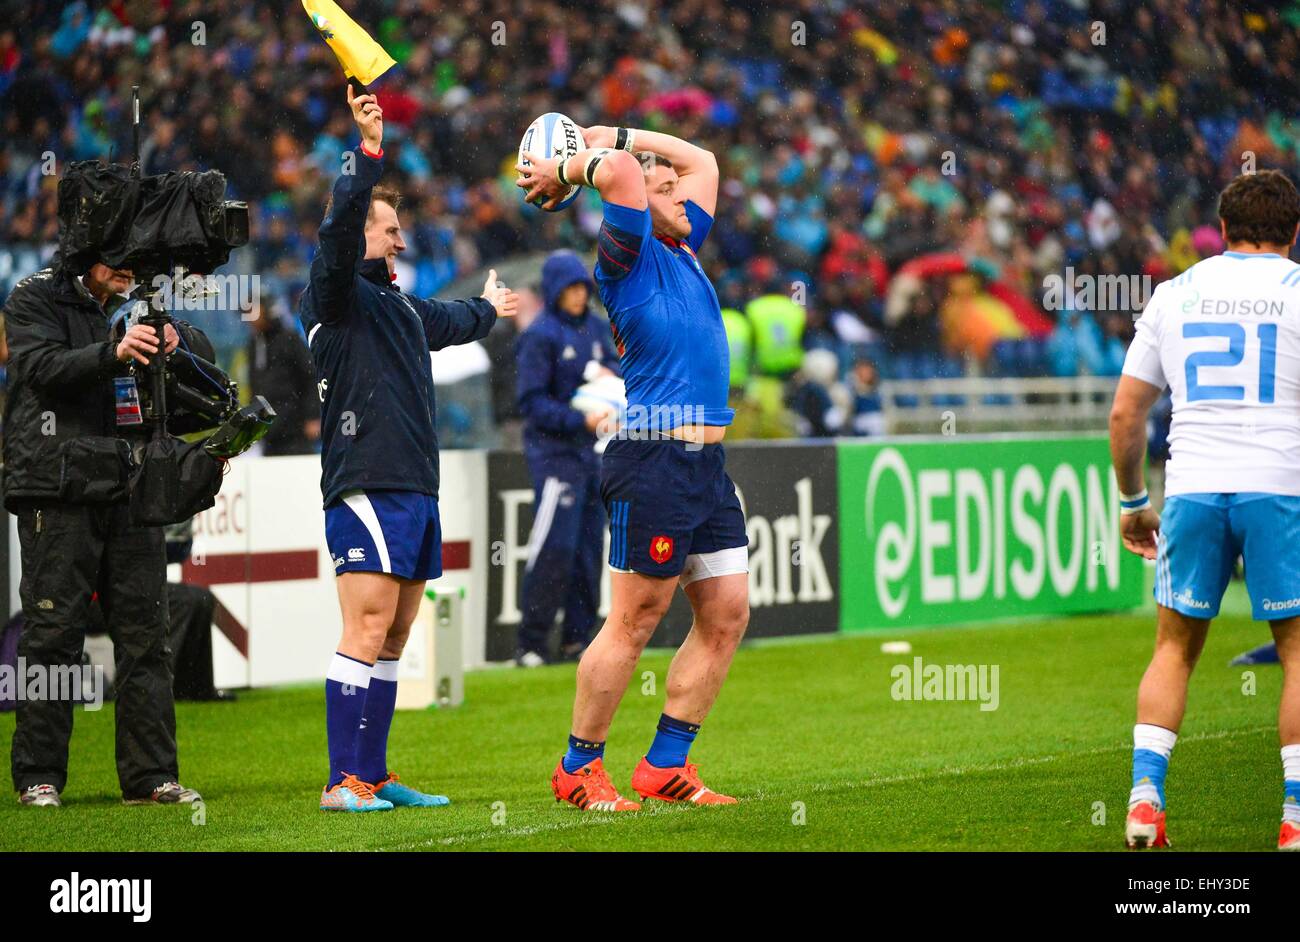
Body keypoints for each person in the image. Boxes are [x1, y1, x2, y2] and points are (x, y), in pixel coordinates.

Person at [518, 122, 748, 811]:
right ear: (636, 200)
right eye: (661, 179)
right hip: (651, 454)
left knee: (728, 614)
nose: (678, 181)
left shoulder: (680, 245)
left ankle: (664, 765)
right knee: (636, 618)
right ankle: (577, 768)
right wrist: (581, 161)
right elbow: (617, 175)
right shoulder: (626, 254)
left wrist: (618, 133)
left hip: (706, 463)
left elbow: (705, 156)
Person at [300, 86, 518, 813]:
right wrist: (365, 155)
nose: (399, 240)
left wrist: (491, 308)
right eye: (388, 229)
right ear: (358, 230)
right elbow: (336, 237)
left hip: (415, 485)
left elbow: (451, 320)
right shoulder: (336, 297)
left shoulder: (396, 305)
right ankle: (342, 782)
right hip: (366, 482)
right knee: (365, 627)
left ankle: (375, 773)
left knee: (394, 635)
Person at [1109, 169, 1300, 851]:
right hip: (1282, 485)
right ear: (1294, 231)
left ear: (1221, 232)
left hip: (1192, 487)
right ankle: (1295, 817)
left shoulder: (1175, 293)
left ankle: (1144, 801)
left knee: (1174, 648)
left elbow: (1127, 412)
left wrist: (1135, 501)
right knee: (1298, 652)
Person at [3, 258, 201, 807]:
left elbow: (199, 363)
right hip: (56, 486)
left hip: (130, 485)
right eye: (118, 261)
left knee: (147, 635)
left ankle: (151, 777)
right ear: (86, 252)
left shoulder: (144, 306)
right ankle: (38, 777)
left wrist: (176, 340)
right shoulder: (34, 295)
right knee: (52, 637)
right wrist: (111, 352)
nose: (130, 271)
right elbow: (40, 367)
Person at [514, 250, 621, 666]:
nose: (578, 295)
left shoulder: (596, 327)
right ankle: (531, 643)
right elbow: (532, 403)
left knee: (589, 550)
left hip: (593, 458)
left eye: (582, 288)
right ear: (555, 290)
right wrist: (580, 418)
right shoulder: (540, 335)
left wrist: (609, 376)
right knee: (554, 548)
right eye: (571, 288)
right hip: (555, 458)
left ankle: (578, 639)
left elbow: (612, 365)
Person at [246, 292, 319, 455]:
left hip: (295, 425)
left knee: (298, 471)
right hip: (268, 428)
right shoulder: (253, 343)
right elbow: (254, 383)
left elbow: (310, 377)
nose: (249, 317)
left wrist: (312, 416)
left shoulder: (289, 339)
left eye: (253, 311)